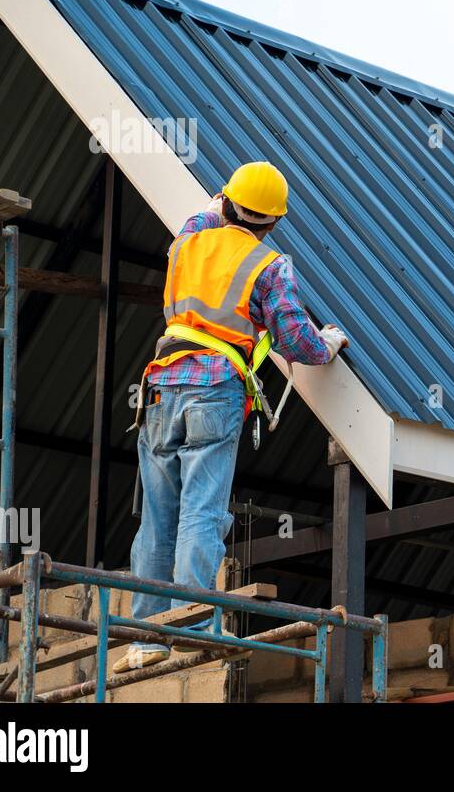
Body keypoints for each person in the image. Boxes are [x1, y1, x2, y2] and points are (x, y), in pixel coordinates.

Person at [116, 162, 348, 672]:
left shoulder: (187, 242)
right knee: (201, 511)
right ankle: (194, 626)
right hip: (214, 388)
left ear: (227, 204)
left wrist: (223, 200)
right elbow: (295, 341)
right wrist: (328, 343)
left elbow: (204, 214)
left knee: (158, 516)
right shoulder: (269, 265)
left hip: (160, 384)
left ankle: (145, 639)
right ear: (274, 221)